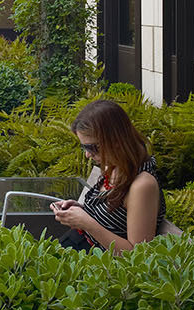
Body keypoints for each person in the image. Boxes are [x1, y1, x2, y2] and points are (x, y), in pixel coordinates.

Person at [49, 98, 165, 253]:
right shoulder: (115, 167)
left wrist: (86, 222)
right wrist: (80, 211)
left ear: (115, 140)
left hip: (96, 266)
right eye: (83, 146)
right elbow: (115, 220)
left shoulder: (142, 185)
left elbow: (137, 255)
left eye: (91, 147)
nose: (87, 155)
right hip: (76, 248)